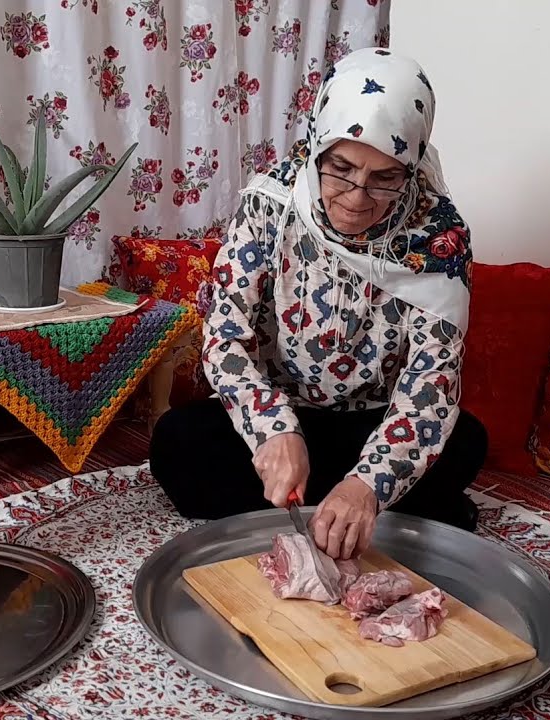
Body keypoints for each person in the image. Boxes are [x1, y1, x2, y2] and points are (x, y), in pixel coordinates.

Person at [150, 48, 488, 561]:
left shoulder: (438, 237)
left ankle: (344, 506)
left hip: (372, 425)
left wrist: (367, 484)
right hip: (285, 423)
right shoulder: (269, 205)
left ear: (412, 167)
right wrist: (273, 429)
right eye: (341, 168)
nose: (356, 197)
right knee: (177, 442)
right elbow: (224, 340)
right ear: (316, 149)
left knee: (464, 441)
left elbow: (429, 386)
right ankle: (376, 517)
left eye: (385, 178)